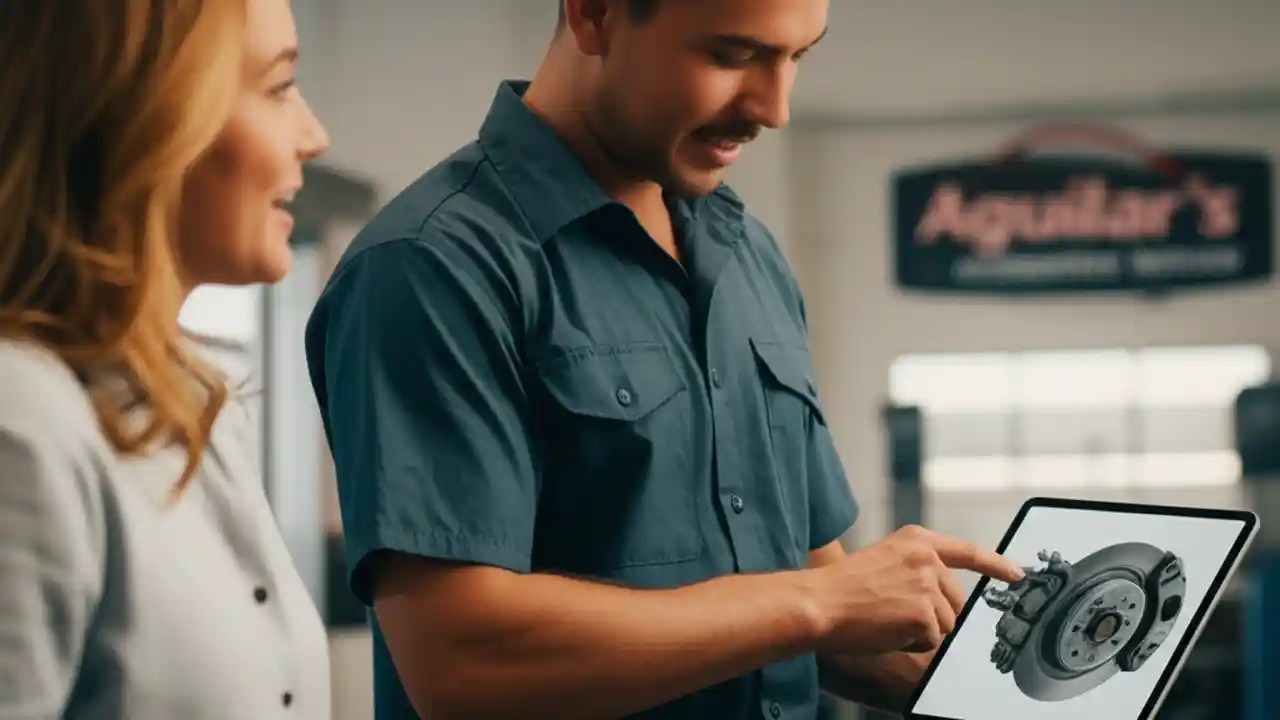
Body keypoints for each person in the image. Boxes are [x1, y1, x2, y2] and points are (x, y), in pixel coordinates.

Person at [305, 0, 1023, 718]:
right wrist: (818, 603)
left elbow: (823, 604)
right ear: (594, 15)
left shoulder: (749, 255)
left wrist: (1031, 687)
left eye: (797, 57)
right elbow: (461, 660)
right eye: (733, 55)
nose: (775, 109)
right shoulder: (431, 267)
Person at [0, 1, 330, 717]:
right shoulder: (23, 421)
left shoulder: (199, 402)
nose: (315, 136)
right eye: (279, 87)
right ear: (147, 117)